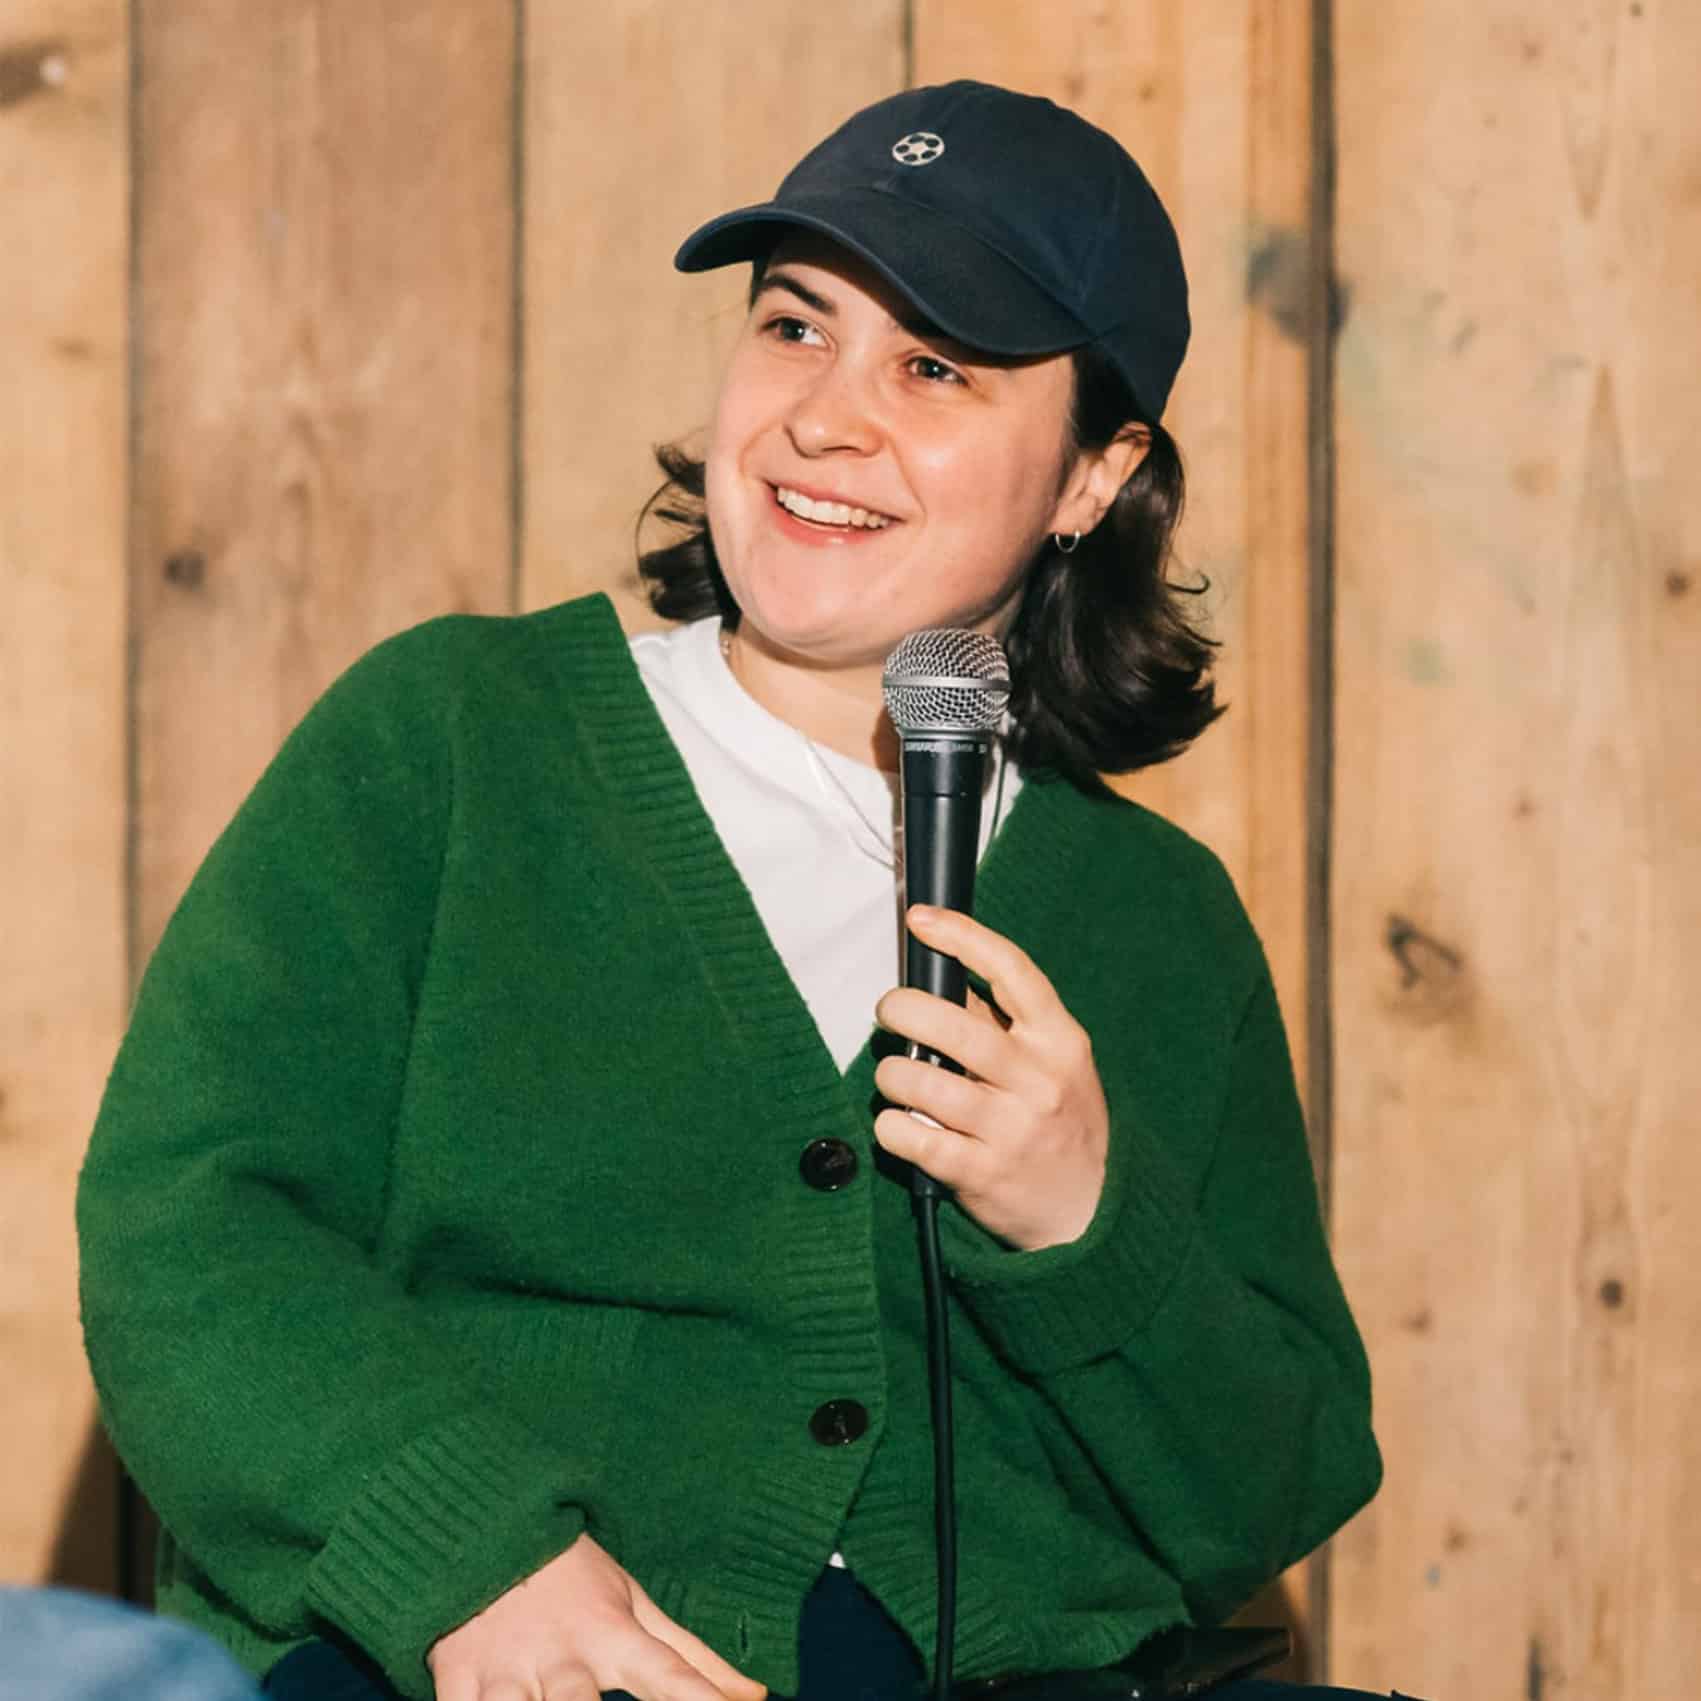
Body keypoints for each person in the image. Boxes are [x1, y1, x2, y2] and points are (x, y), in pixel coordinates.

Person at [78, 82, 1386, 1701]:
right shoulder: (456, 740)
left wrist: (1081, 1222)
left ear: (1090, 477)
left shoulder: (1156, 917)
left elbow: (1270, 1486)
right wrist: (465, 1562)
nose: (824, 417)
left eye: (932, 368)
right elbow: (190, 1227)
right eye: (792, 326)